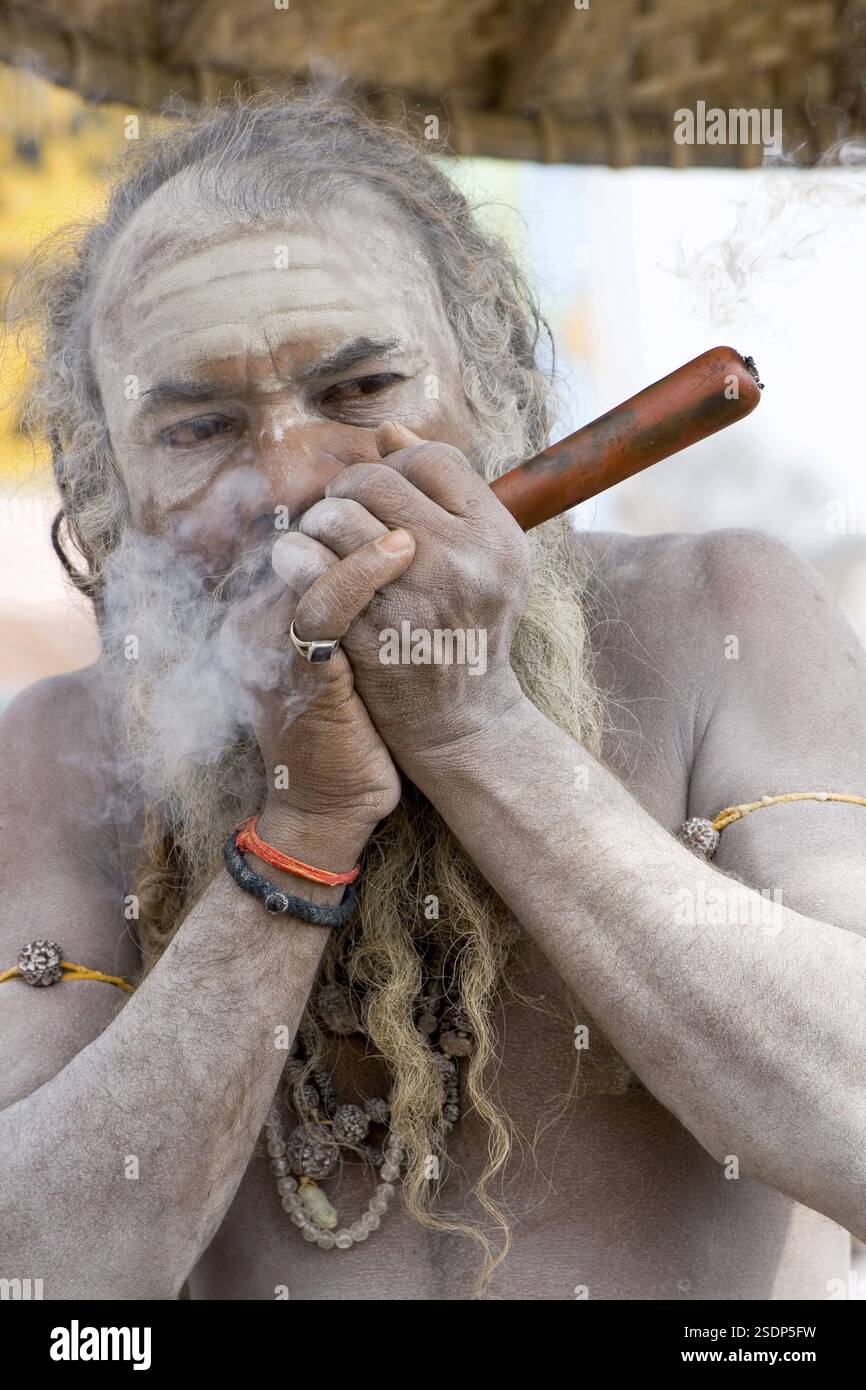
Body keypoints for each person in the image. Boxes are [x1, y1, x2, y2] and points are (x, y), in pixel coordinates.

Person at [1, 89, 865, 1301]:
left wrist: (472, 727)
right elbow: (37, 1282)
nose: (292, 481)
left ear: (496, 388)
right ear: (106, 484)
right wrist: (299, 834)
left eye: (359, 394)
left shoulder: (719, 612)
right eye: (199, 425)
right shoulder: (62, 750)